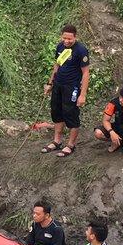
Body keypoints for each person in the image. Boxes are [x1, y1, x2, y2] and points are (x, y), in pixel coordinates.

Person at [42, 24, 91, 158]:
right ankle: (57, 141)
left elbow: (86, 73)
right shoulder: (60, 47)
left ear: (75, 37)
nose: (67, 41)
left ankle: (70, 144)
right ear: (61, 36)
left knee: (70, 113)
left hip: (72, 87)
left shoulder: (81, 50)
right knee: (56, 111)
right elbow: (57, 65)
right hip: (58, 85)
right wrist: (50, 83)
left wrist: (83, 95)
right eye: (65, 38)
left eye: (70, 38)